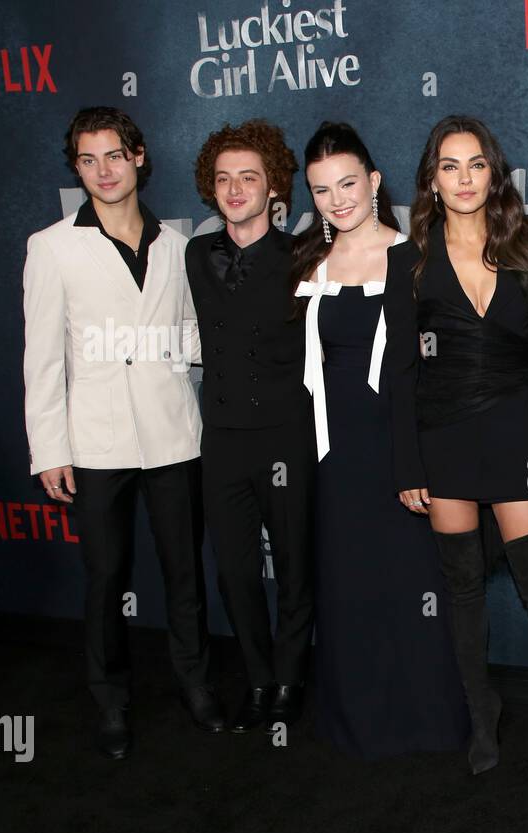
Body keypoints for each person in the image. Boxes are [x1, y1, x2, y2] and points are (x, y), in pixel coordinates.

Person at [383, 115, 528, 779]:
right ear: (431, 179)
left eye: (476, 164)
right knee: (464, 587)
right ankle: (483, 712)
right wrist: (408, 462)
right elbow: (401, 369)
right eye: (449, 166)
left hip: (515, 435)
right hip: (443, 438)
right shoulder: (407, 259)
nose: (464, 178)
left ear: (493, 172)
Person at [23, 106, 215, 758]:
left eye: (114, 155)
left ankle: (195, 683)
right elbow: (43, 357)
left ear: (138, 157)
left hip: (172, 434)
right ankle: (110, 698)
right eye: (88, 159)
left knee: (184, 570)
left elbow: (189, 338)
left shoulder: (178, 246)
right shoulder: (50, 247)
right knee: (106, 575)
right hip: (95, 440)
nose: (103, 170)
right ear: (76, 168)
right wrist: (49, 448)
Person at [294, 121, 469, 760]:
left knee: (413, 584)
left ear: (373, 182)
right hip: (329, 453)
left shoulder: (415, 255)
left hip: (399, 447)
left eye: (347, 183)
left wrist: (419, 456)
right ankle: (355, 721)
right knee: (346, 583)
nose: (337, 200)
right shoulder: (304, 260)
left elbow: (434, 366)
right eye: (320, 190)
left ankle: (428, 723)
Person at [185, 120, 314, 735]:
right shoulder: (194, 255)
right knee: (235, 569)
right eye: (224, 179)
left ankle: (289, 679)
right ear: (211, 189)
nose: (235, 189)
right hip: (222, 439)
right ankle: (258, 678)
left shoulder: (301, 258)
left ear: (273, 188)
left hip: (287, 434)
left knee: (293, 563)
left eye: (249, 178)